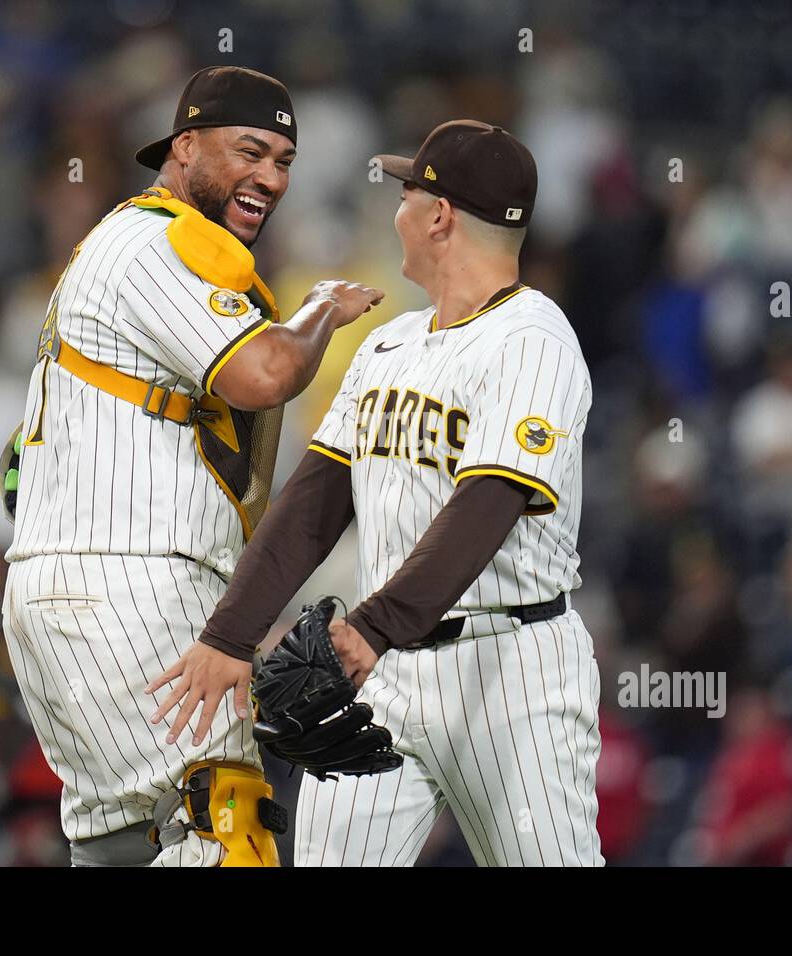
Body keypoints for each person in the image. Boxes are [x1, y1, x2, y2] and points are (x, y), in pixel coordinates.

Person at [152, 120, 603, 866]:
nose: (396, 208)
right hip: (385, 673)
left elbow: (487, 503)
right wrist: (231, 633)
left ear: (440, 216)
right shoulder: (389, 342)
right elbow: (314, 503)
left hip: (512, 670)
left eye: (407, 192)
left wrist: (370, 628)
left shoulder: (534, 339)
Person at [0, 66, 383, 867]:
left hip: (69, 587)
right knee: (221, 825)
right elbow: (267, 373)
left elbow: (12, 470)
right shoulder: (155, 239)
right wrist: (323, 308)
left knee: (124, 841)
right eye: (250, 150)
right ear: (184, 146)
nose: (270, 176)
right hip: (130, 583)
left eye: (284, 160)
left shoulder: (114, 252)